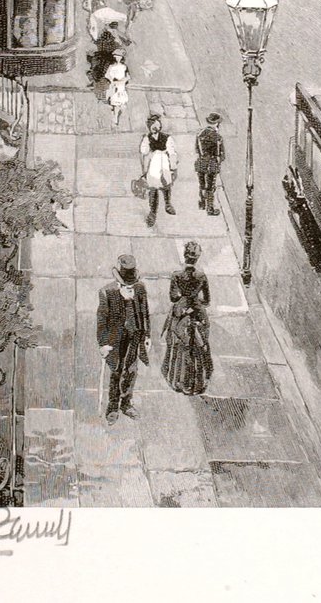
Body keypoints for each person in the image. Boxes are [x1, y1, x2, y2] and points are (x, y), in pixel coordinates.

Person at [97, 253, 151, 423]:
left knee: (132, 371)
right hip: (116, 339)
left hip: (135, 336)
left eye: (132, 284)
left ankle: (126, 403)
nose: (130, 288)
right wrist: (103, 344)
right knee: (116, 371)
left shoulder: (140, 289)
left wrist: (147, 335)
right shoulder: (107, 292)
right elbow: (101, 320)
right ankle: (113, 407)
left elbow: (145, 312)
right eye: (127, 285)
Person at [161, 241, 213, 396]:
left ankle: (178, 379)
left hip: (181, 310)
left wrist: (184, 303)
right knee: (198, 346)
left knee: (179, 345)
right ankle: (197, 382)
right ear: (197, 258)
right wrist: (196, 303)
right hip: (197, 311)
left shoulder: (176, 275)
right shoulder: (201, 276)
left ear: (185, 256)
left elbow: (173, 297)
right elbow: (207, 300)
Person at [140, 113, 179, 222]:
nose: (154, 129)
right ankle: (153, 212)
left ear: (159, 126)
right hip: (154, 164)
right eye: (151, 126)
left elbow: (172, 153)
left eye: (156, 126)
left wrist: (174, 167)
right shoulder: (147, 138)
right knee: (153, 188)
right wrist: (144, 170)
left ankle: (167, 204)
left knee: (166, 185)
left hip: (164, 163)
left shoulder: (167, 138)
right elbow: (144, 152)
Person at [195, 112, 225, 215]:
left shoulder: (200, 134)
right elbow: (219, 154)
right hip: (211, 164)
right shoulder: (217, 137)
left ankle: (202, 203)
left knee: (202, 184)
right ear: (216, 123)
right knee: (210, 186)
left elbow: (197, 149)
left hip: (201, 162)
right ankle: (210, 208)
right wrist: (220, 160)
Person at [104, 49, 130, 128]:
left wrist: (122, 81)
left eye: (119, 57)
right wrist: (112, 80)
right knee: (114, 103)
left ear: (122, 57)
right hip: (114, 86)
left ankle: (116, 118)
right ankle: (114, 119)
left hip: (121, 86)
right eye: (116, 56)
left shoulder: (124, 67)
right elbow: (107, 75)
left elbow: (128, 77)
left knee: (121, 104)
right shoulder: (111, 66)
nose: (117, 58)